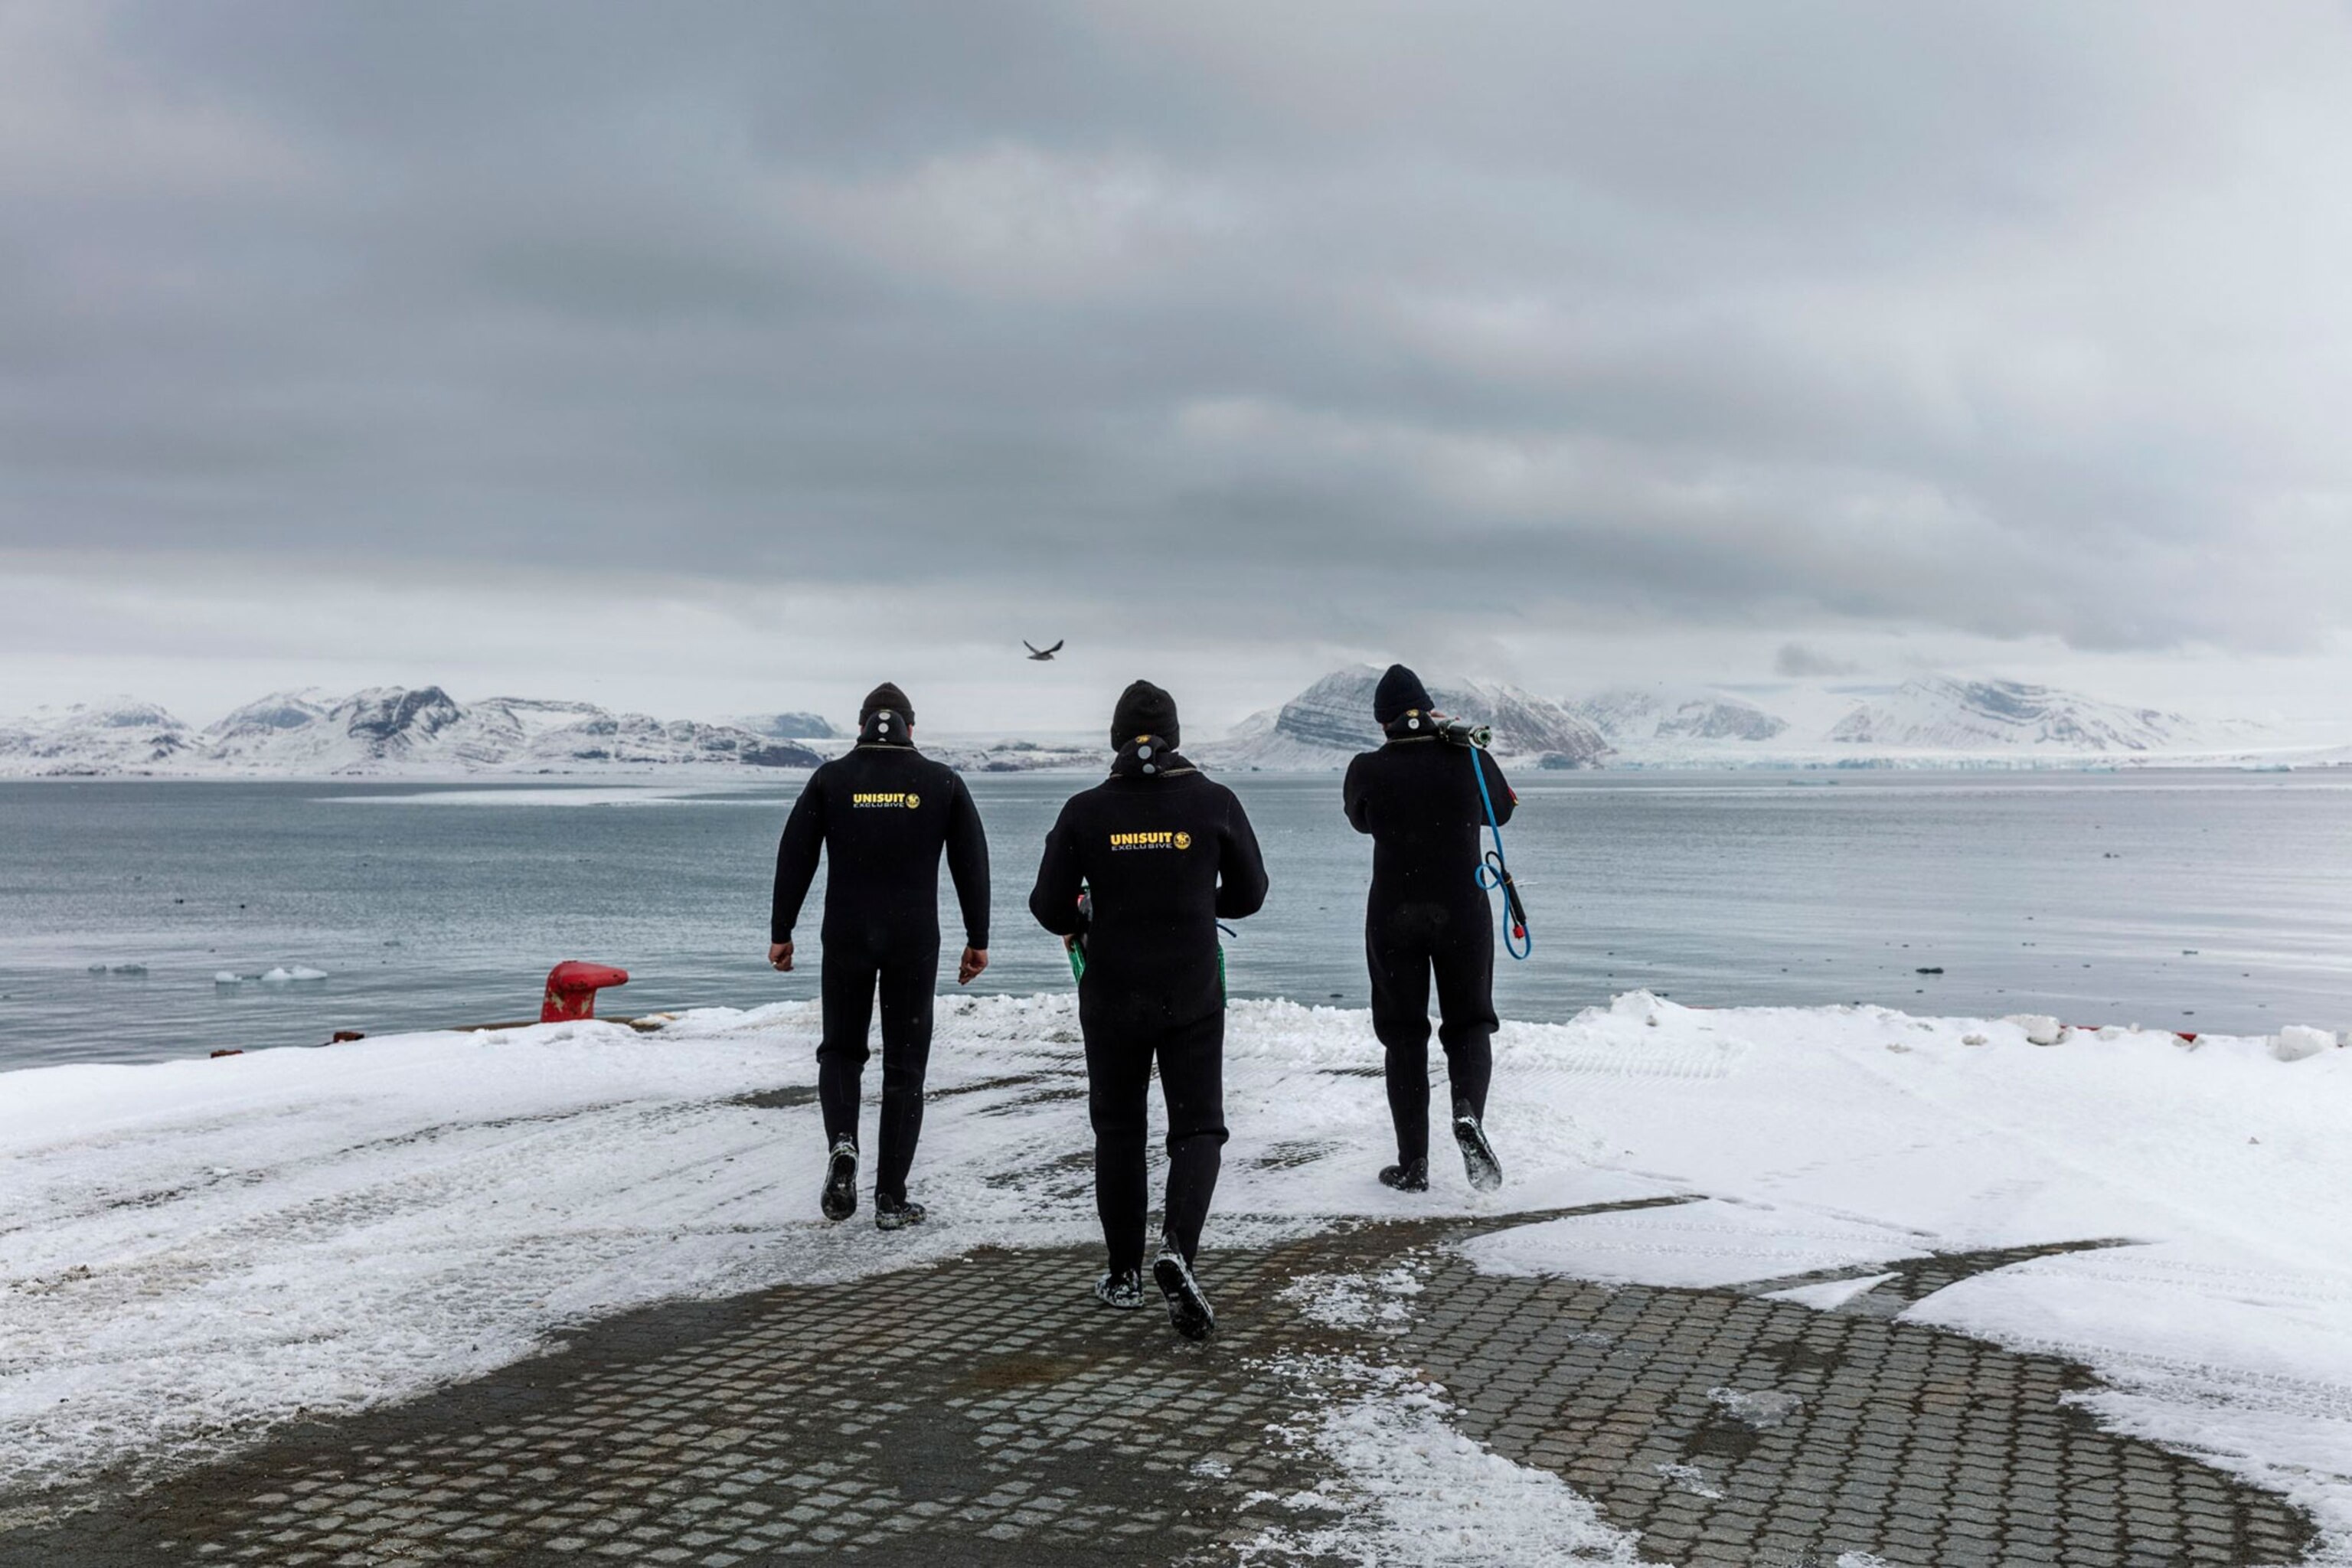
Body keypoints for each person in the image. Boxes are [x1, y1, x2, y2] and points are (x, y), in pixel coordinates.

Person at [1029, 680, 1269, 1340]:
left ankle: (1123, 1274)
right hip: (1191, 989)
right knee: (1197, 1130)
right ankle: (1177, 1253)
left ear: (1114, 739)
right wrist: (1192, 901)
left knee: (1119, 1130)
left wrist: (1091, 909)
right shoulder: (1214, 801)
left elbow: (1049, 909)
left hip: (1111, 992)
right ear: (1177, 738)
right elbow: (1251, 894)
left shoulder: (1083, 811)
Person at [769, 681, 990, 1230]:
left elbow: (795, 855)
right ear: (911, 728)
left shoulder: (831, 779)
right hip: (914, 939)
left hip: (845, 933)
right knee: (905, 1065)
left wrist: (782, 930)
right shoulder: (942, 782)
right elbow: (972, 863)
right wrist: (977, 937)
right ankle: (891, 1199)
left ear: (862, 724)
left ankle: (844, 1142)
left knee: (842, 1052)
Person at [1343, 664, 1513, 1194]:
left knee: (1404, 1035)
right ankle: (1467, 1115)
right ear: (1430, 711)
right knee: (1469, 1025)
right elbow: (1502, 813)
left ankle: (1413, 1166)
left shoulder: (1367, 767)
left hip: (1393, 912)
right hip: (1462, 908)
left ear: (1383, 723)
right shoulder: (1469, 758)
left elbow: (1360, 820)